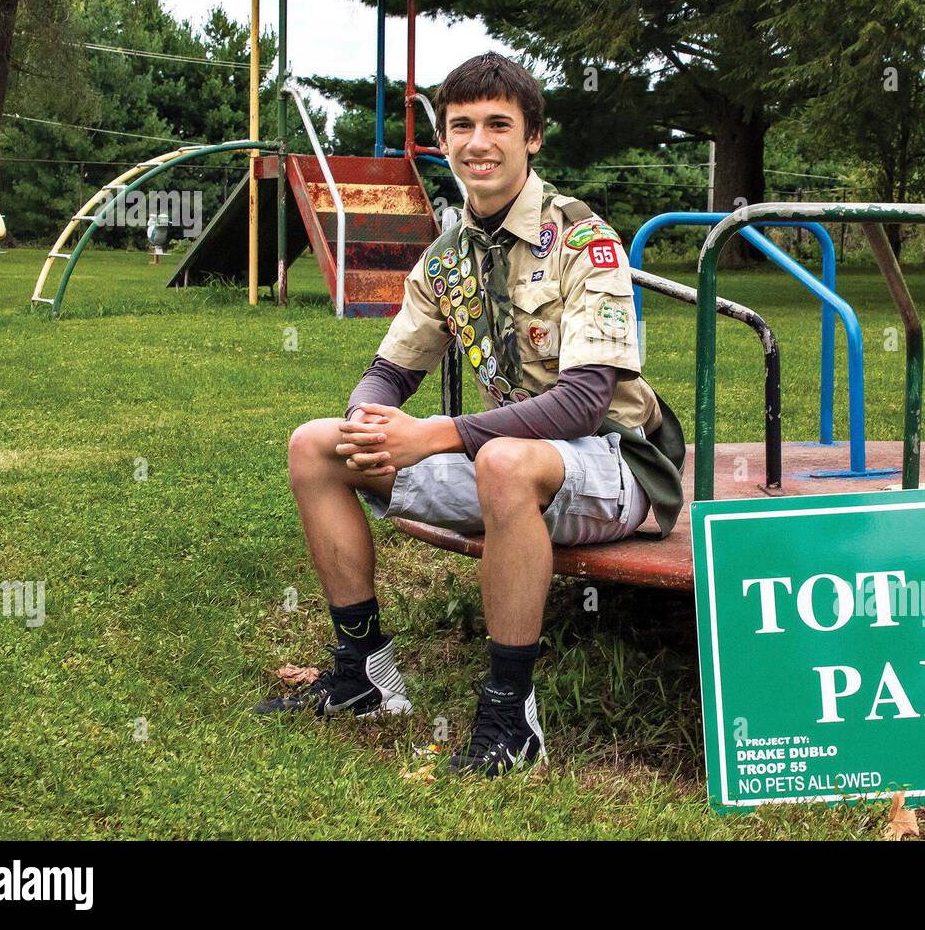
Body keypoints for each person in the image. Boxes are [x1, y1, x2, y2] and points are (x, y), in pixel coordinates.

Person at [259, 53, 684, 776]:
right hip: (503, 465)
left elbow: (584, 400)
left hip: (613, 465)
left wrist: (432, 436)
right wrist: (369, 422)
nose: (478, 142)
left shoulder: (585, 239)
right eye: (462, 125)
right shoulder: (445, 259)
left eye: (498, 124)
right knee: (315, 445)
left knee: (502, 458)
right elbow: (390, 370)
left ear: (533, 138)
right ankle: (363, 673)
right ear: (445, 139)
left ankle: (510, 717)